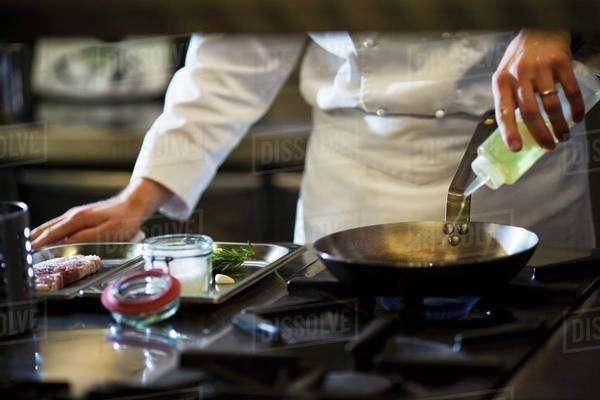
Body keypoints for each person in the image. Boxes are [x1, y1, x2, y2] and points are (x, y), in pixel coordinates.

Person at [31, 29, 594, 249]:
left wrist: (553, 20)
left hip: (521, 171)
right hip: (352, 191)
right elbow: (229, 65)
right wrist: (139, 198)